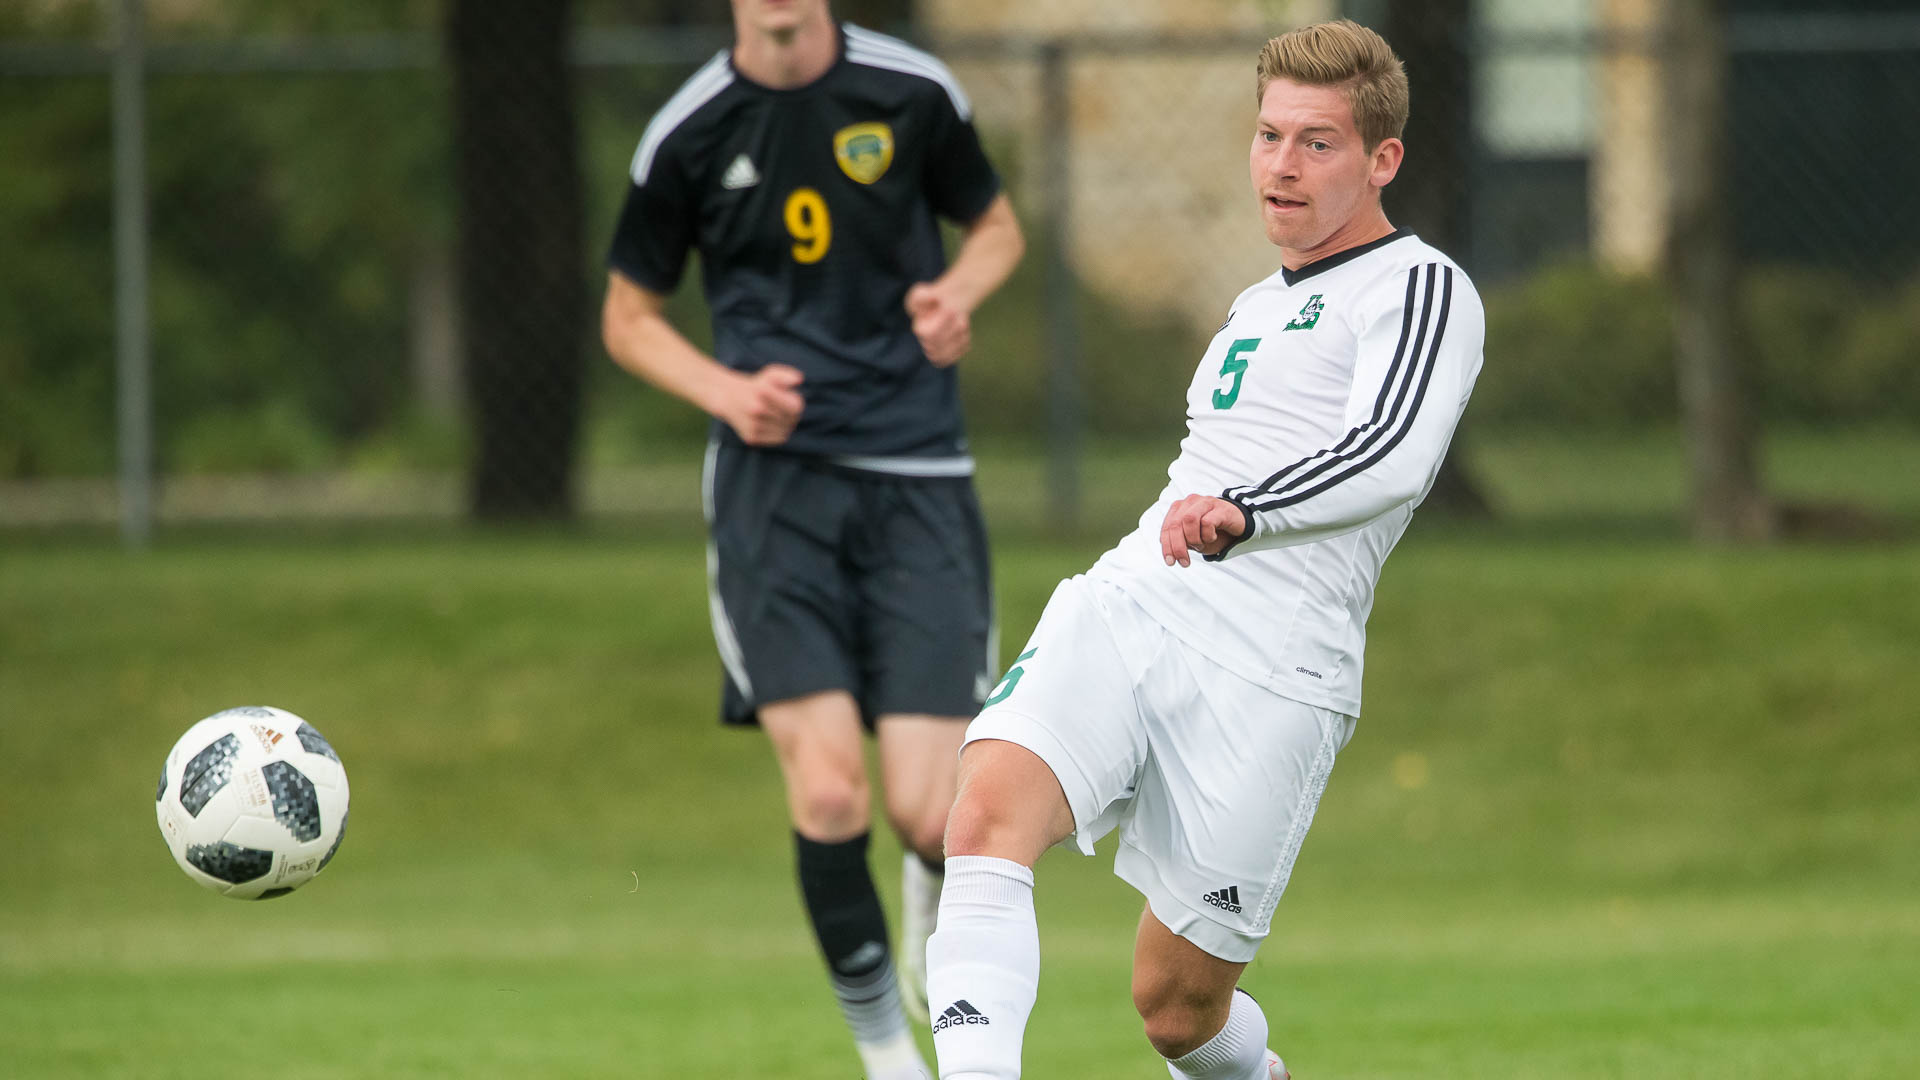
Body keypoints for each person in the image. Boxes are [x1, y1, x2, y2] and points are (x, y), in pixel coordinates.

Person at [921, 20, 1484, 1080]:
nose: (1282, 164)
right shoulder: (1250, 309)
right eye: (1270, 135)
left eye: (1318, 143)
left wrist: (1249, 509)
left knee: (1176, 1011)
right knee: (987, 814)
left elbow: (1394, 452)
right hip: (1138, 602)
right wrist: (1214, 510)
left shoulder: (1420, 288)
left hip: (1277, 665)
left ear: (1382, 159)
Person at [599, 2, 1024, 1077]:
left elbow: (997, 229)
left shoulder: (913, 93)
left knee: (934, 809)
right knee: (831, 788)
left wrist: (955, 297)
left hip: (916, 476)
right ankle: (888, 1055)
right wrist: (725, 392)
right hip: (773, 493)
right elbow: (628, 317)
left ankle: (930, 876)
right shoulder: (688, 133)